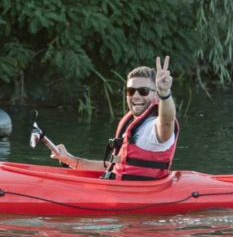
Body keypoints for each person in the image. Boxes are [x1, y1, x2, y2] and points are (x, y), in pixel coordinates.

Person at [50, 56, 179, 180]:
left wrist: (165, 93)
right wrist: (70, 159)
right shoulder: (131, 126)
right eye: (131, 91)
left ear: (156, 95)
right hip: (116, 189)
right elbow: (112, 167)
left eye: (143, 91)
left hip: (136, 195)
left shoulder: (155, 130)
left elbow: (167, 122)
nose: (136, 96)